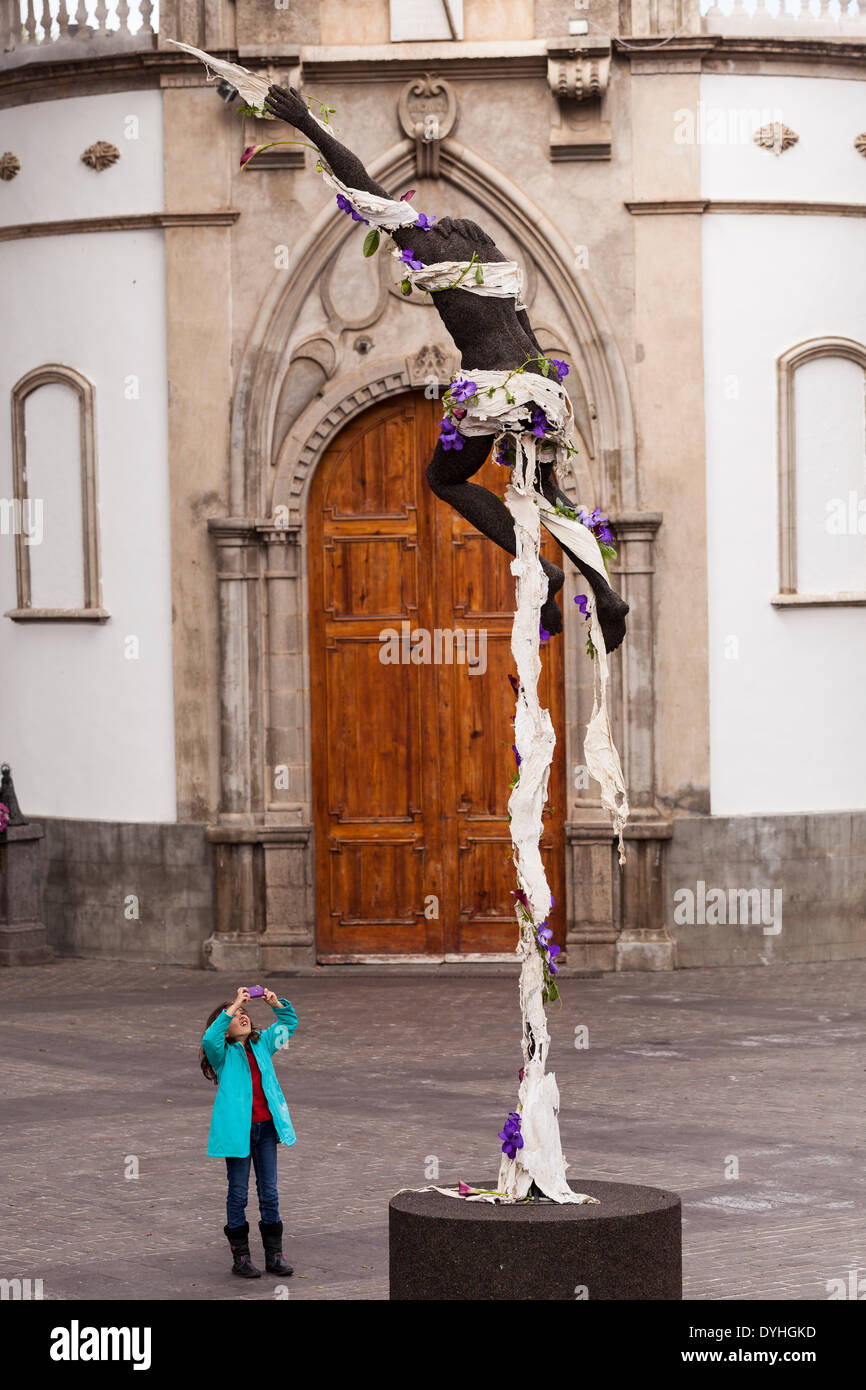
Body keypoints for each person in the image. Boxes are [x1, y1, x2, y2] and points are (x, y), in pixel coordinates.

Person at [262, 83, 629, 654]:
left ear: (450, 240)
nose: (432, 227)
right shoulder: (503, 274)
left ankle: (543, 571)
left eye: (440, 226)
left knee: (445, 479)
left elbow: (361, 184)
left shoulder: (435, 253)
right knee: (549, 491)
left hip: (493, 388)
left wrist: (306, 121)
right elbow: (534, 346)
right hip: (539, 391)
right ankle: (603, 590)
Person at [200, 985, 299, 1278]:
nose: (241, 1015)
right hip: (238, 1134)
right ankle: (241, 1257)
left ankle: (274, 1255)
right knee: (238, 1193)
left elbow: (288, 1024)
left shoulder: (263, 1043)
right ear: (225, 1030)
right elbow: (209, 1038)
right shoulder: (222, 1053)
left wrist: (276, 1003)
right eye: (234, 1015)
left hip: (266, 1129)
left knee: (269, 1192)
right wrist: (233, 1004)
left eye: (244, 1012)